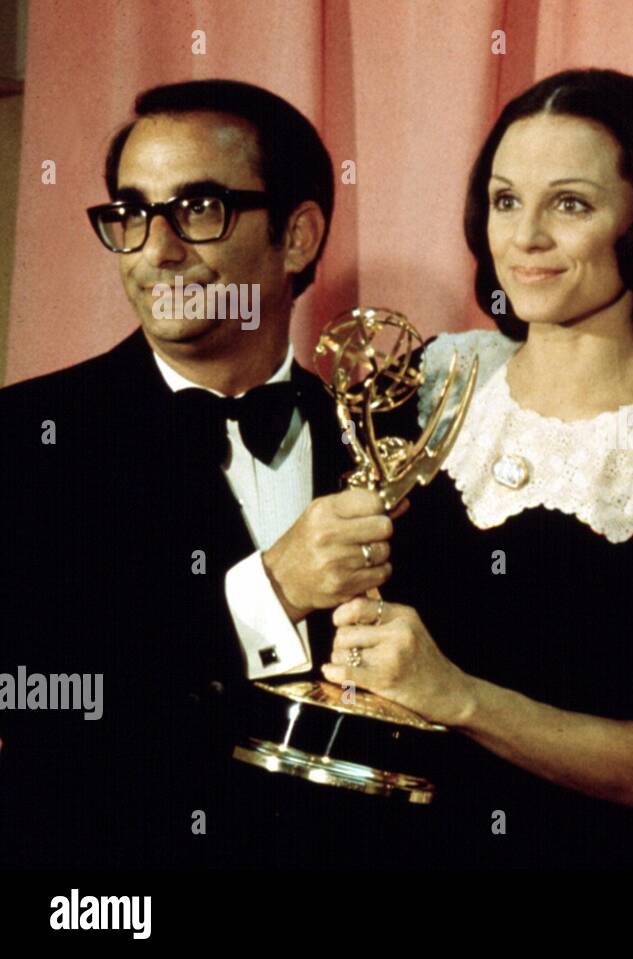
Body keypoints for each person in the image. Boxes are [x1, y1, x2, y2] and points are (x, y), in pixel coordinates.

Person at [321, 69, 633, 869]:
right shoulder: (427, 380)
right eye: (504, 200)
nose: (524, 236)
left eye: (570, 204)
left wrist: (454, 694)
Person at [0, 79, 407, 868]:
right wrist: (267, 594)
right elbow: (42, 697)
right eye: (130, 214)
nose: (157, 251)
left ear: (297, 235)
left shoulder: (387, 441)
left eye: (198, 209)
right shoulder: (24, 439)